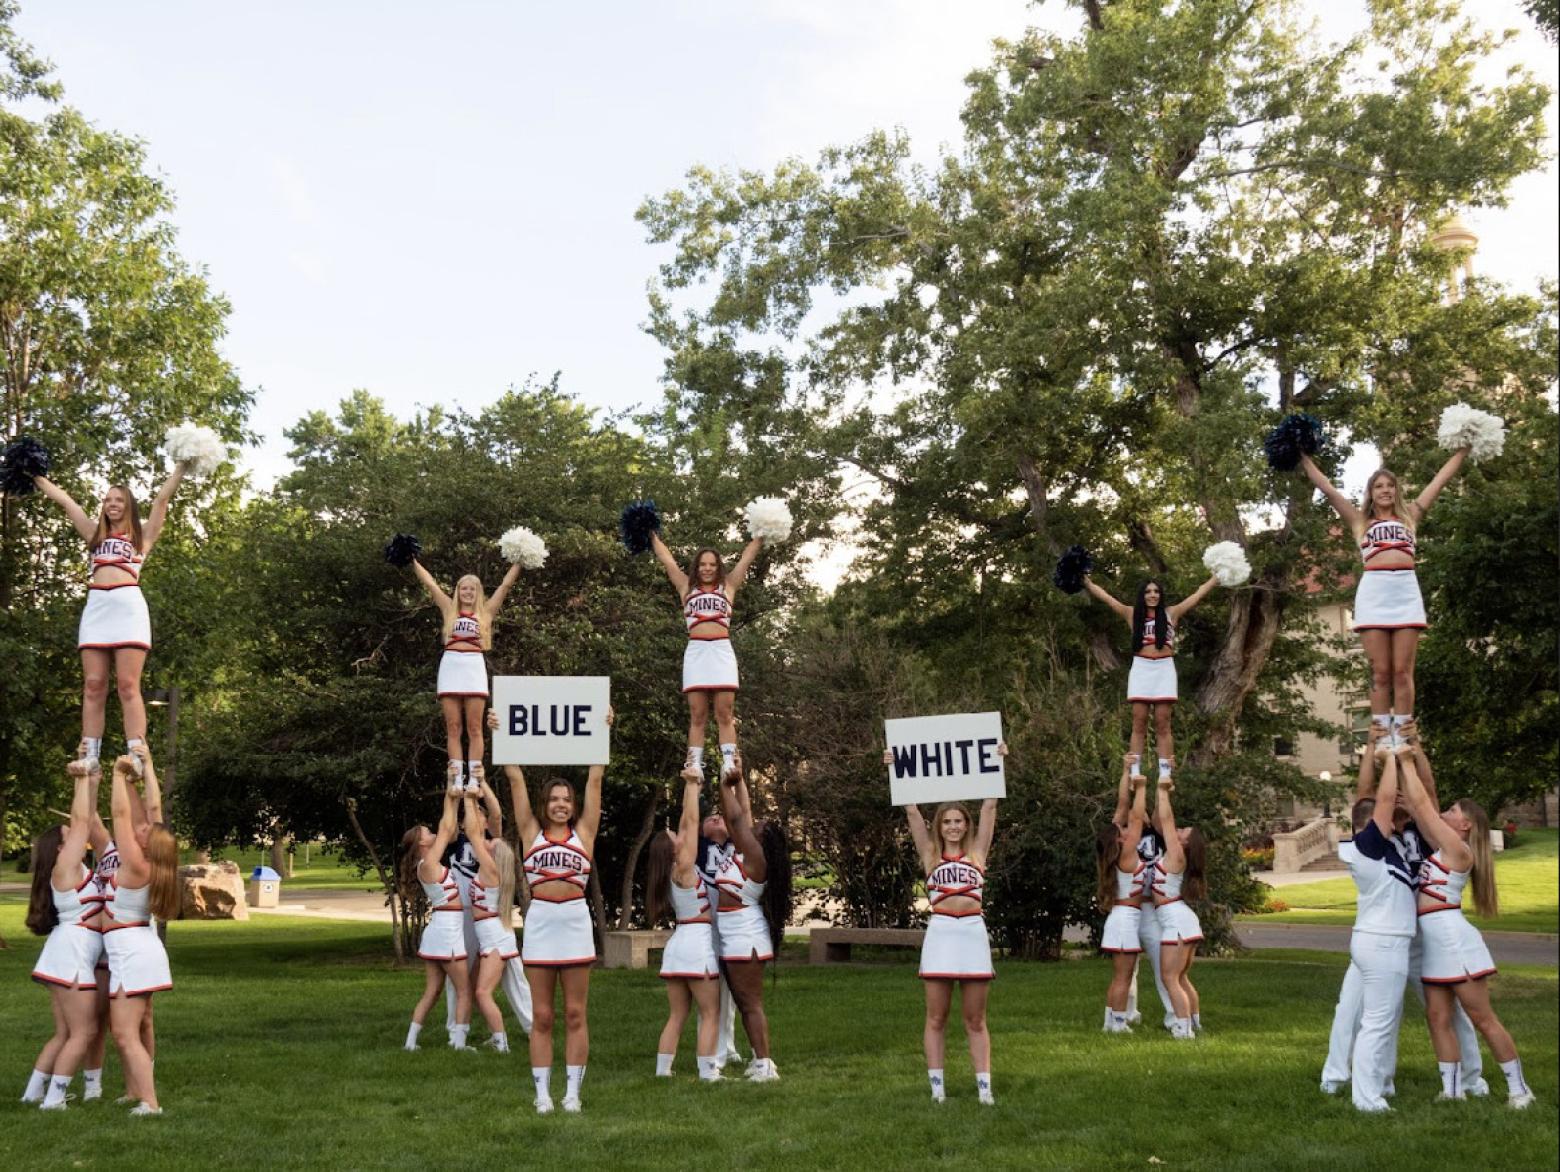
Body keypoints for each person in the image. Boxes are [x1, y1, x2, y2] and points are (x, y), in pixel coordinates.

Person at [1319, 723, 1486, 1099]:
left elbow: (1427, 791)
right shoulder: (1374, 839)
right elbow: (1366, 797)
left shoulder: (1423, 832)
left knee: (1448, 1008)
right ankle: (1337, 1076)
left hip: (1420, 934)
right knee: (1352, 1006)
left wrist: (1413, 747)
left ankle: (1472, 1079)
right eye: (1391, 799)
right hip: (1383, 934)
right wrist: (1372, 746)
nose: (1396, 800)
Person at [1297, 446, 1469, 747]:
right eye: (1379, 486)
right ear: (1371, 493)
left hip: (1405, 591)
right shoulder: (1359, 521)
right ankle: (1379, 736)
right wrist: (1301, 454)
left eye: (1390, 485)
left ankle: (1401, 735)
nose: (1386, 490)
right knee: (1380, 671)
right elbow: (1326, 486)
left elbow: (1439, 481)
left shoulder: (1411, 516)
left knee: (1402, 671)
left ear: (1397, 491)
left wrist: (1463, 449)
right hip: (1374, 592)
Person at [1397, 750, 1534, 1108]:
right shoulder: (1445, 845)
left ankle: (1520, 1090)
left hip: (1452, 939)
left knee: (1483, 1018)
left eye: (1455, 809)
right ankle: (1452, 1090)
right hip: (1434, 940)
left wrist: (1406, 760)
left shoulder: (1459, 851)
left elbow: (1424, 807)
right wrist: (1409, 770)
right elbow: (1421, 807)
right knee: (1437, 1017)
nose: (1449, 811)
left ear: (1465, 825)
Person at [31, 465, 188, 767]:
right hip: (97, 608)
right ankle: (89, 755)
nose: (112, 504)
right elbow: (66, 502)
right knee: (93, 684)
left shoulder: (142, 535)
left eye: (118, 500)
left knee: (128, 685)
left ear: (128, 505)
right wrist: (35, 476)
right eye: (107, 500)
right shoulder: (94, 534)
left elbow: (162, 501)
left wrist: (182, 467)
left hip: (128, 606)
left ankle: (136, 754)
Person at [505, 713, 610, 1114]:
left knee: (574, 1012)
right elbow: (514, 777)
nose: (561, 804)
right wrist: (500, 731)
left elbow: (596, 779)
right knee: (543, 1015)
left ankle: (572, 1093)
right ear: (544, 804)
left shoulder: (584, 834)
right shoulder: (530, 833)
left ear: (574, 805)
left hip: (575, 922)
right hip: (542, 923)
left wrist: (603, 730)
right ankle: (542, 1093)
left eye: (567, 799)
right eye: (554, 799)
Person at [893, 745, 1005, 1103]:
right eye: (947, 821)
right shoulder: (930, 854)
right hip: (941, 933)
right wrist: (896, 768)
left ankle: (984, 1089)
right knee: (936, 1017)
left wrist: (998, 761)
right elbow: (911, 812)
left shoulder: (978, 852)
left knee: (975, 1019)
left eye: (959, 821)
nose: (954, 827)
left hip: (972, 933)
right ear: (939, 826)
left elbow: (990, 807)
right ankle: (937, 1090)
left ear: (966, 825)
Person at [648, 529, 765, 779]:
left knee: (725, 712)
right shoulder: (685, 587)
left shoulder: (729, 585)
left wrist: (763, 533)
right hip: (697, 651)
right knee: (697, 713)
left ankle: (728, 763)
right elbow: (667, 559)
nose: (708, 568)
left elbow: (746, 558)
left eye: (712, 564)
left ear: (718, 567)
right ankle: (694, 764)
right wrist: (652, 536)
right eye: (703, 564)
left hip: (722, 649)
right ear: (696, 567)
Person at [1081, 572, 1220, 780]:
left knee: (1163, 722)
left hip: (1164, 668)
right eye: (1148, 591)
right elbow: (1107, 598)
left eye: (1156, 591)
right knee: (1139, 721)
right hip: (1141, 668)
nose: (1152, 595)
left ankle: (1165, 773)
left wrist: (1214, 579)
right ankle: (1135, 771)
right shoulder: (1132, 613)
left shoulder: (1171, 613)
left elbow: (1197, 595)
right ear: (1142, 595)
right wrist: (1088, 583)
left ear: (1160, 594)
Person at [22, 759, 104, 1110]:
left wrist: (92, 779)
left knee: (65, 1033)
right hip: (71, 953)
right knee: (83, 1033)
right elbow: (82, 821)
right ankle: (54, 1099)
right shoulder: (65, 867)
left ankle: (32, 1093)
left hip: (65, 950)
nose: (74, 833)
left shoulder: (73, 867)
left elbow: (88, 819)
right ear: (59, 847)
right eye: (67, 834)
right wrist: (81, 778)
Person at [101, 752, 179, 1114]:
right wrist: (145, 770)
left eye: (146, 830)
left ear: (148, 844)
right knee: (140, 1024)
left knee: (124, 1032)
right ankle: (136, 1091)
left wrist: (118, 776)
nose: (142, 825)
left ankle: (151, 1102)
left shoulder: (135, 863)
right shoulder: (158, 860)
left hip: (132, 952)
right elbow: (156, 806)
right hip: (142, 946)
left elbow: (119, 815)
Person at [406, 552, 523, 786]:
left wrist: (521, 560)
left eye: (472, 589)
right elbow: (430, 583)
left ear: (478, 593)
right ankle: (457, 777)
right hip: (450, 665)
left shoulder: (486, 612)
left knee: (474, 727)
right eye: (463, 589)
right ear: (458, 591)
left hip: (473, 667)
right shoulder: (449, 608)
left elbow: (506, 585)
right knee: (453, 726)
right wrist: (412, 561)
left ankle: (474, 779)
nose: (467, 593)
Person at [714, 754, 791, 1084]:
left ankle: (765, 1064)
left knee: (750, 1003)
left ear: (764, 841)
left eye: (758, 827)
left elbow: (735, 819)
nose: (753, 823)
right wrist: (741, 779)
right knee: (745, 1004)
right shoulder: (745, 853)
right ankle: (759, 1060)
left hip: (744, 936)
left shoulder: (756, 857)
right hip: (736, 934)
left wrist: (723, 785)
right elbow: (742, 816)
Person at [647, 766, 723, 1081]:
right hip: (697, 944)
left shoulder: (668, 871)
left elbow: (685, 821)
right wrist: (692, 785)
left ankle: (663, 1072)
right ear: (674, 849)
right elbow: (691, 823)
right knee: (710, 1013)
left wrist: (690, 790)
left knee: (677, 1014)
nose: (679, 834)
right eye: (674, 837)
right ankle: (709, 1074)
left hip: (678, 944)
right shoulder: (685, 868)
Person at [399, 785, 472, 1053]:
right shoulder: (429, 863)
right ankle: (460, 1044)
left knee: (433, 991)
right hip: (448, 931)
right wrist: (450, 796)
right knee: (465, 990)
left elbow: (447, 829)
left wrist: (452, 799)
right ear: (421, 842)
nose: (431, 833)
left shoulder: (425, 863)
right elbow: (445, 830)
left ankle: (410, 1042)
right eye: (425, 833)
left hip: (438, 932)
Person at [460, 784, 520, 1055]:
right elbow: (479, 832)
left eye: (491, 845)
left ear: (494, 855)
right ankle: (496, 1037)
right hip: (492, 935)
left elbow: (474, 833)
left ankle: (501, 1042)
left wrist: (470, 798)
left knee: (483, 993)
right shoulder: (493, 868)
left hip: (495, 938)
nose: (487, 842)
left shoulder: (491, 868)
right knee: (475, 988)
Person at [1150, 776, 1206, 1040]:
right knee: (1181, 978)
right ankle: (1194, 1024)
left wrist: (1163, 790)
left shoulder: (1176, 855)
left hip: (1176, 921)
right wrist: (1164, 793)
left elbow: (1167, 821)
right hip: (1184, 920)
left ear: (1185, 843)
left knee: (1169, 978)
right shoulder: (1177, 856)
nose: (1179, 830)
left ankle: (1183, 1030)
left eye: (1185, 832)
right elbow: (1161, 822)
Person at [1097, 757, 1149, 1033]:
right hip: (1125, 919)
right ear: (1118, 839)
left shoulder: (1116, 852)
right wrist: (1140, 788)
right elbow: (1137, 817)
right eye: (1122, 829)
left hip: (1122, 917)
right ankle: (1117, 1023)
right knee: (1123, 976)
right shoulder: (1126, 854)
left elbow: (1121, 807)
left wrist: (1127, 771)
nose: (1126, 827)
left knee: (1122, 975)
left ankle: (1110, 1021)